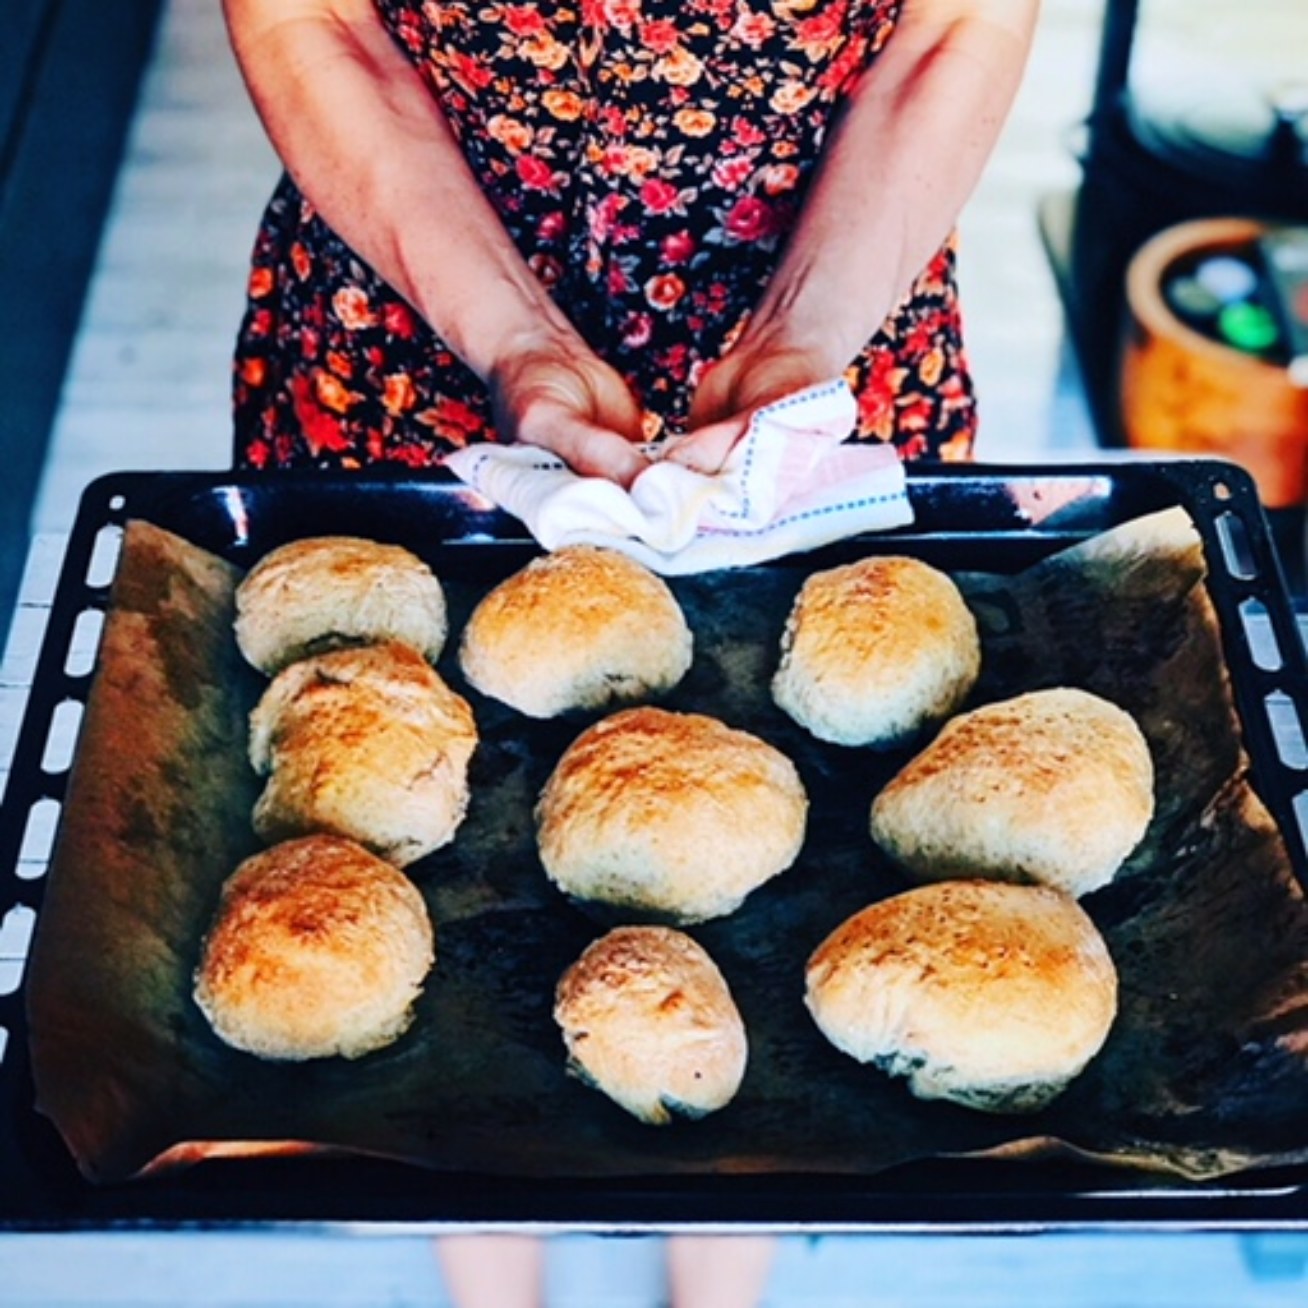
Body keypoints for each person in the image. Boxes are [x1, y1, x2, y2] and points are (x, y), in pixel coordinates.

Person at [220, 1, 1039, 1302]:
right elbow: (313, 20)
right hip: (416, 319)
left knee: (805, 868)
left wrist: (800, 339)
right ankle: (492, 1274)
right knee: (389, 897)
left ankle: (720, 1271)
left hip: (823, 330)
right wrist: (514, 340)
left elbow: (954, 31)